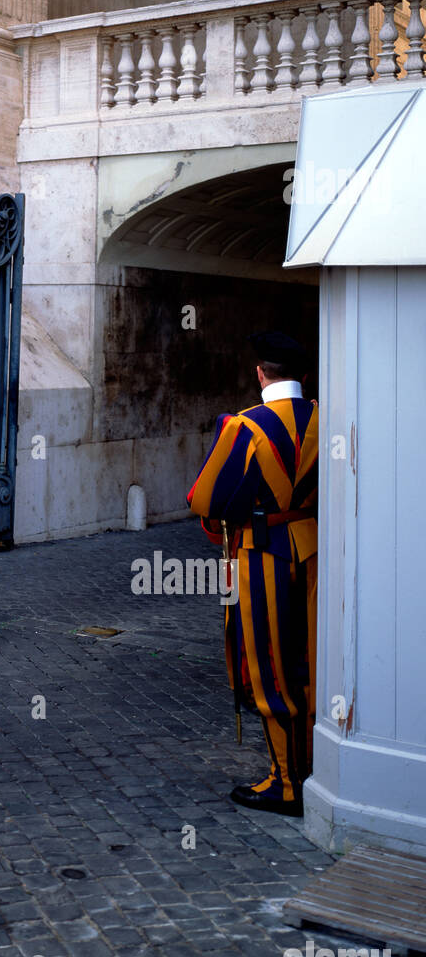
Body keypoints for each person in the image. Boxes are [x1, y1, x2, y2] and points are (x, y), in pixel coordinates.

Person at [186, 330, 319, 817]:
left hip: (262, 555)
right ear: (304, 378)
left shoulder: (245, 426)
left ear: (260, 373)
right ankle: (313, 772)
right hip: (312, 551)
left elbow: (203, 499)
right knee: (309, 663)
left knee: (268, 666)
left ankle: (286, 783)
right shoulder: (326, 418)